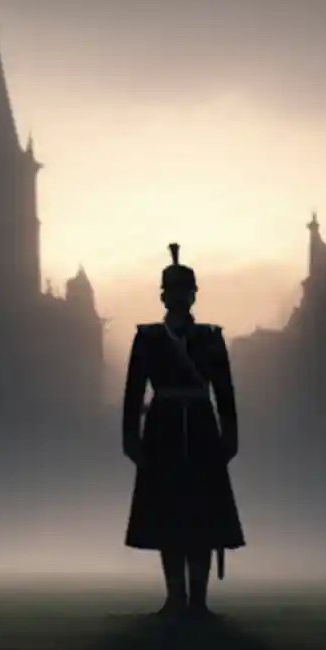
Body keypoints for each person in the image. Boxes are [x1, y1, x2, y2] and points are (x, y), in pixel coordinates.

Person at [122, 243, 244, 618]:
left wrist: (229, 436)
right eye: (173, 291)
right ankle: (176, 597)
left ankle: (198, 601)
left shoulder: (210, 337)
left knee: (201, 516)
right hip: (163, 430)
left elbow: (224, 391)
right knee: (168, 516)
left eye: (184, 290)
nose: (178, 297)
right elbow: (133, 393)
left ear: (193, 295)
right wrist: (131, 438)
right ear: (163, 296)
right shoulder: (148, 338)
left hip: (202, 430)